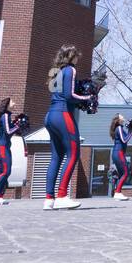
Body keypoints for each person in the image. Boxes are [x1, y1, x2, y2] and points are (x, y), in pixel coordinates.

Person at [44, 45, 93, 210]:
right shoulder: (70, 70)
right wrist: (88, 98)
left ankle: (49, 199)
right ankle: (62, 195)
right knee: (74, 154)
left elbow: (57, 93)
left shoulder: (54, 71)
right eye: (77, 56)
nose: (78, 59)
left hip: (50, 115)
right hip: (63, 114)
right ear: (72, 56)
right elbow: (69, 95)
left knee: (56, 157)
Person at [108, 114, 132, 200]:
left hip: (118, 153)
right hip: (118, 153)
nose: (123, 117)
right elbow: (124, 140)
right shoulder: (119, 128)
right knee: (126, 173)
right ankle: (117, 192)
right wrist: (131, 132)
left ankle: (118, 192)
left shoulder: (120, 128)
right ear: (118, 119)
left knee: (122, 174)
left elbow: (125, 137)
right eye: (121, 116)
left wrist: (130, 130)